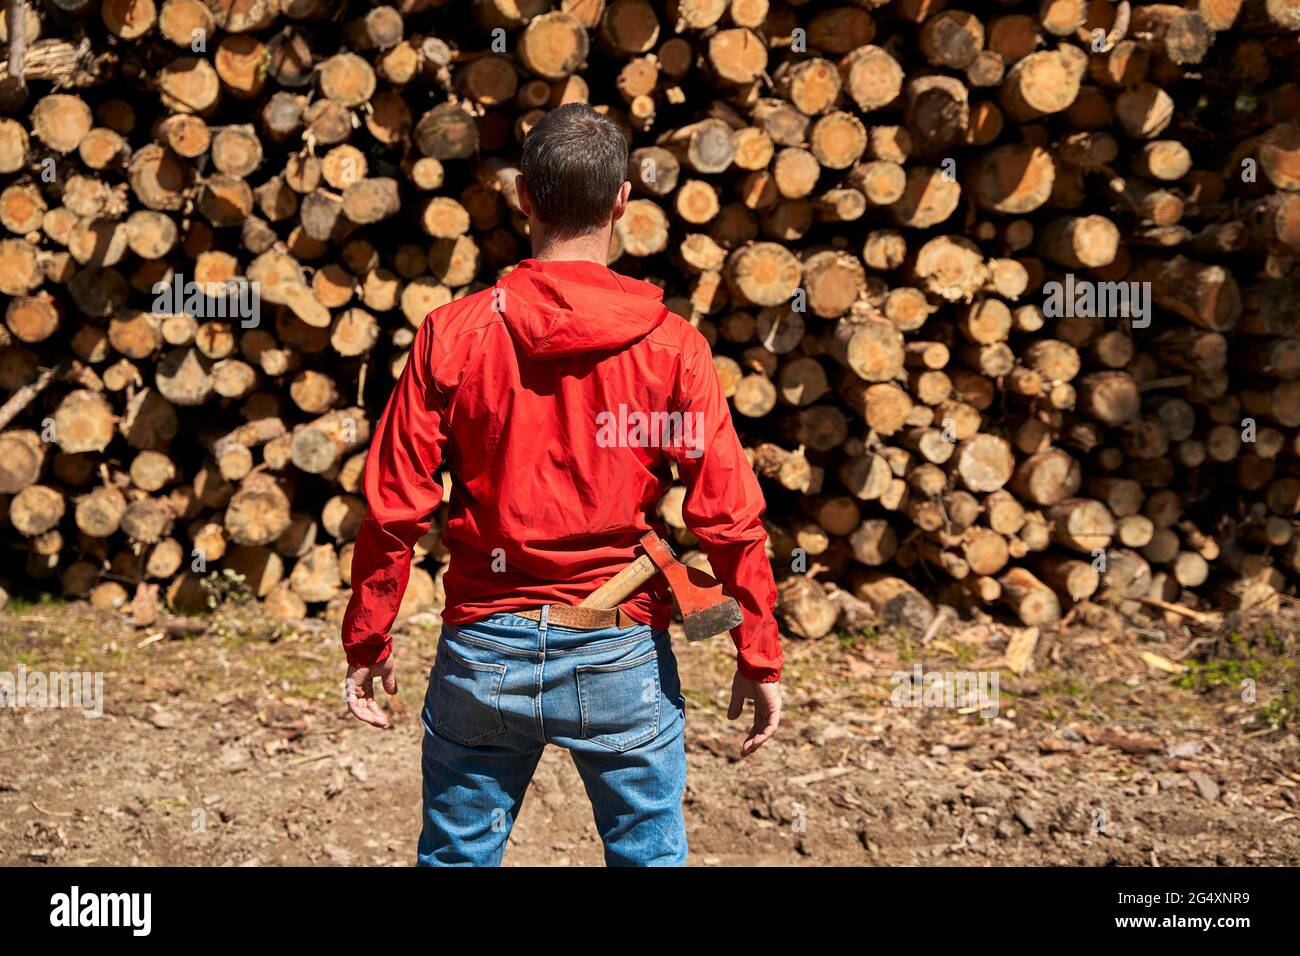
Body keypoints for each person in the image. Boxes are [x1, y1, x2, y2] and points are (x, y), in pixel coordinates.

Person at [340, 102, 783, 867]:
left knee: (455, 858)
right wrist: (759, 651)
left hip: (483, 648)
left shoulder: (454, 334)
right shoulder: (673, 348)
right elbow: (729, 516)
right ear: (621, 201)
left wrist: (368, 637)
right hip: (618, 651)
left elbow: (393, 507)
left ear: (524, 200)